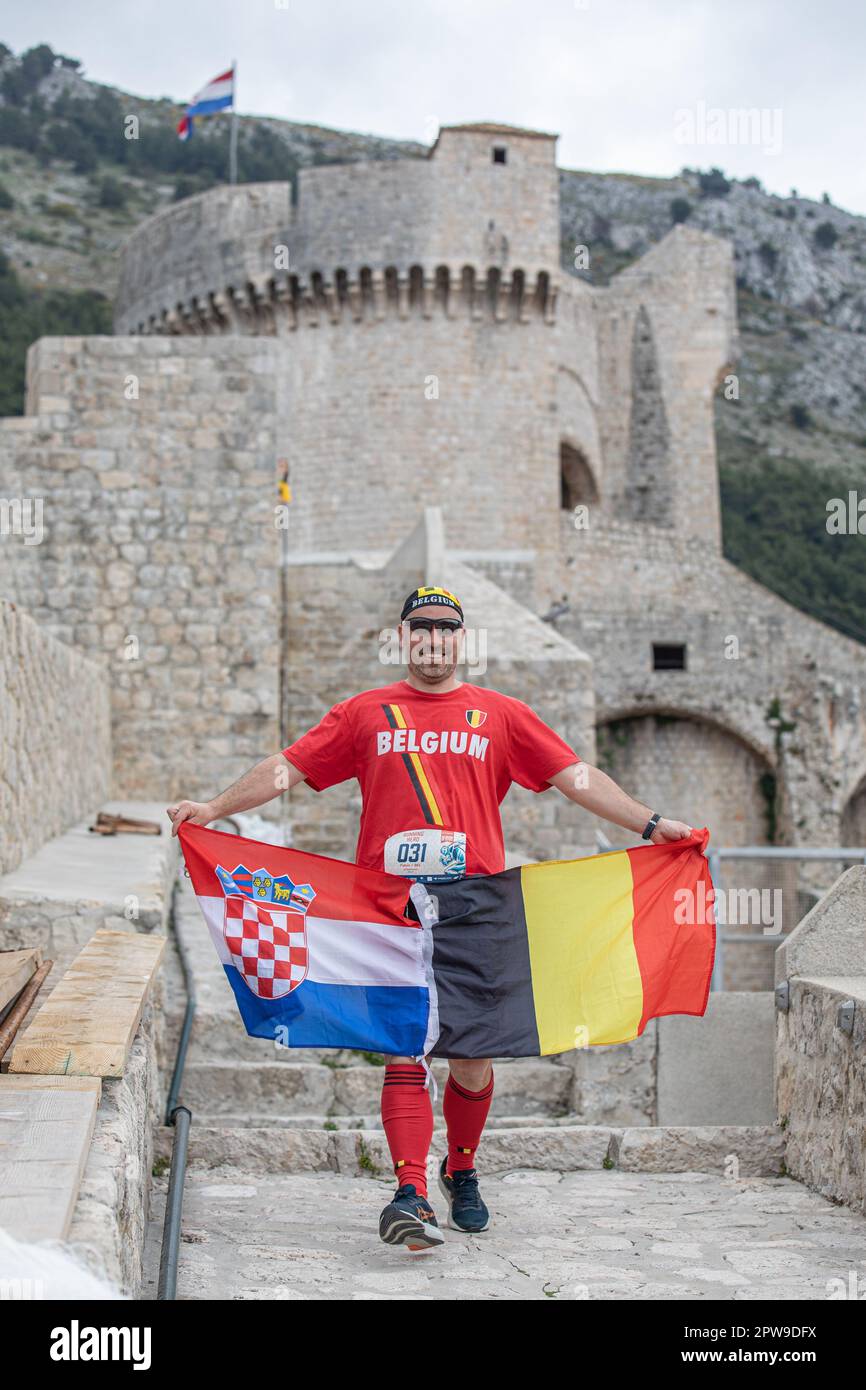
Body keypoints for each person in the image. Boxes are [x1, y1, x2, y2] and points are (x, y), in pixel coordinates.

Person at [167, 584, 692, 1251]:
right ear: (403, 637)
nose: (434, 640)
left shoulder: (499, 715)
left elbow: (575, 778)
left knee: (470, 1059)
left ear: (460, 640)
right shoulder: (366, 713)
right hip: (388, 909)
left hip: (475, 905)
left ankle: (461, 1169)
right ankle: (409, 1191)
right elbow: (288, 769)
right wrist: (214, 810)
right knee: (404, 1048)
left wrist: (651, 824)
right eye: (422, 629)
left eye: (447, 629)